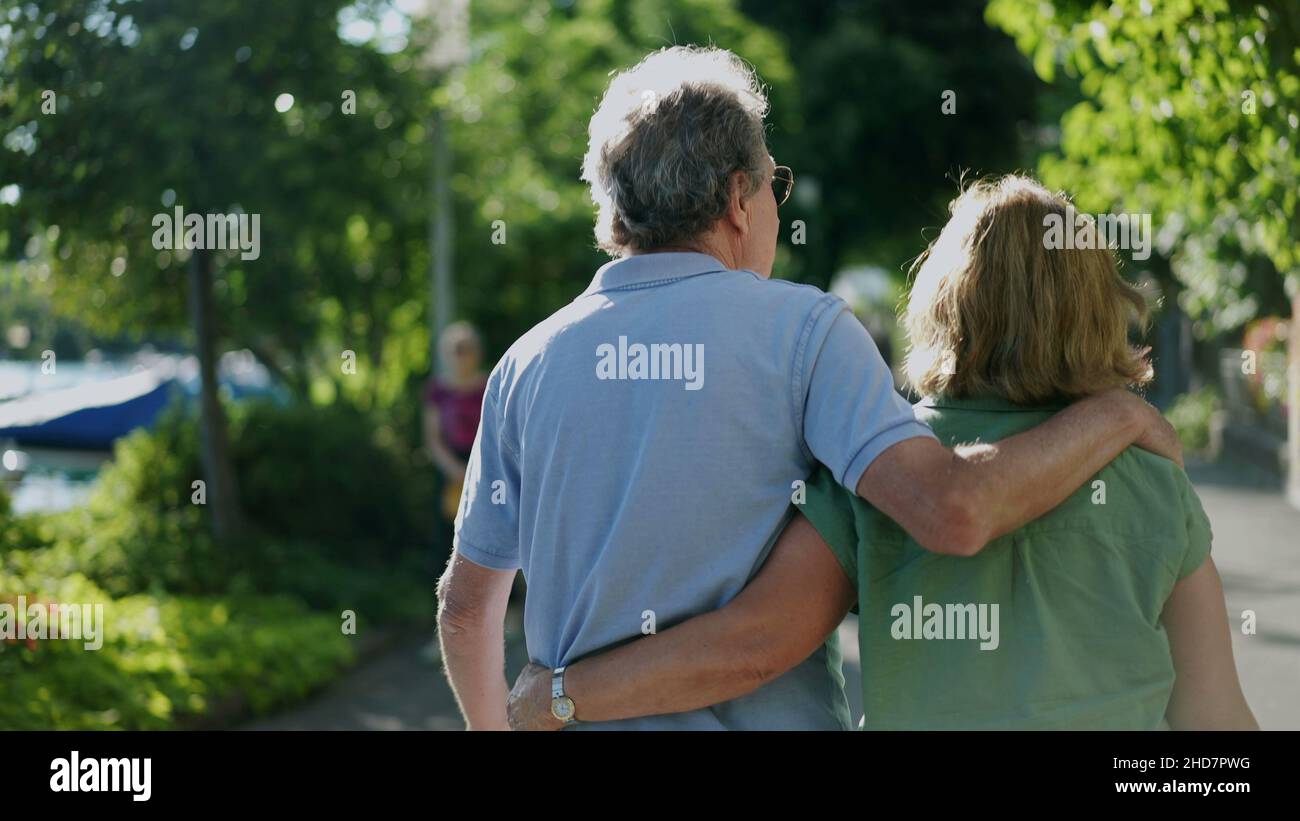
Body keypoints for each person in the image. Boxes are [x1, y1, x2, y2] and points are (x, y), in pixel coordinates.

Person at [436, 46, 1181, 730]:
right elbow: (949, 510)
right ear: (737, 198)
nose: (776, 207)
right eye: (773, 186)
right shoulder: (805, 332)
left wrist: (530, 709)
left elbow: (467, 610)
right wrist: (1116, 412)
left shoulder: (524, 366)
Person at [505, 176, 1257, 731]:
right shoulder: (1151, 476)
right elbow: (1216, 723)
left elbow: (753, 646)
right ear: (1099, 308)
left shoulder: (884, 467)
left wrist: (560, 694)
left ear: (944, 307)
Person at [424, 321, 487, 521]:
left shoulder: (489, 385)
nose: (462, 356)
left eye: (467, 349)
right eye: (457, 350)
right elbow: (433, 438)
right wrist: (453, 469)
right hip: (450, 469)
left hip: (484, 467)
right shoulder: (438, 390)